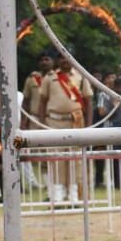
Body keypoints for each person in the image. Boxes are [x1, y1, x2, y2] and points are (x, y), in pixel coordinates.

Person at [38, 53, 92, 204]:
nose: (65, 60)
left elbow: (88, 101)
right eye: (61, 57)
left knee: (76, 159)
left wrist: (88, 126)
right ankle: (58, 193)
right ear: (58, 61)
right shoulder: (50, 78)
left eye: (67, 57)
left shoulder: (81, 77)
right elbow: (42, 102)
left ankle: (74, 194)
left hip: (76, 122)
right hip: (54, 122)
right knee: (56, 158)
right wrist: (42, 125)